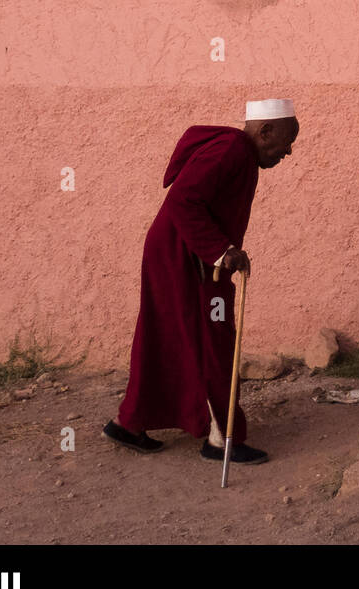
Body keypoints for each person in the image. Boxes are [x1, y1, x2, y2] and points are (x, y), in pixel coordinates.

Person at [103, 99, 299, 464]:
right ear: (265, 131)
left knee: (169, 336)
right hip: (186, 257)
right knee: (216, 336)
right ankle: (222, 438)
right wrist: (222, 251)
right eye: (285, 142)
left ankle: (129, 422)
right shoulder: (231, 150)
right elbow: (183, 199)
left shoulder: (238, 152)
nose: (287, 151)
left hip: (181, 253)